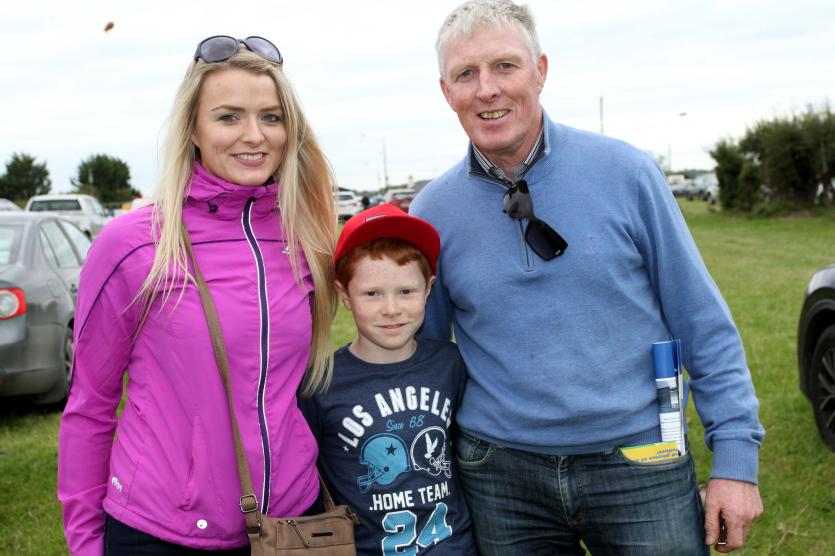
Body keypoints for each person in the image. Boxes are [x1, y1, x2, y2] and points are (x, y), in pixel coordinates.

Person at [410, 1, 765, 554]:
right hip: (499, 474)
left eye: (505, 66)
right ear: (445, 91)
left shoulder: (627, 173)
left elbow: (702, 321)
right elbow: (425, 355)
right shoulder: (432, 211)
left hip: (640, 460)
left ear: (541, 70)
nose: (487, 89)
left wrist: (736, 460)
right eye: (466, 74)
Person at [58, 36, 338, 555]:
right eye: (229, 117)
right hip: (162, 532)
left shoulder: (306, 238)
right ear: (193, 128)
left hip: (294, 523)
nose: (254, 135)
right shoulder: (133, 244)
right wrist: (84, 542)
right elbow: (90, 406)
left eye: (272, 117)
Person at [300, 203, 478, 555]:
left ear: (428, 289)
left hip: (453, 546)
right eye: (372, 294)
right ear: (344, 295)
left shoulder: (450, 364)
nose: (391, 309)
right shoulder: (321, 380)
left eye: (406, 292)